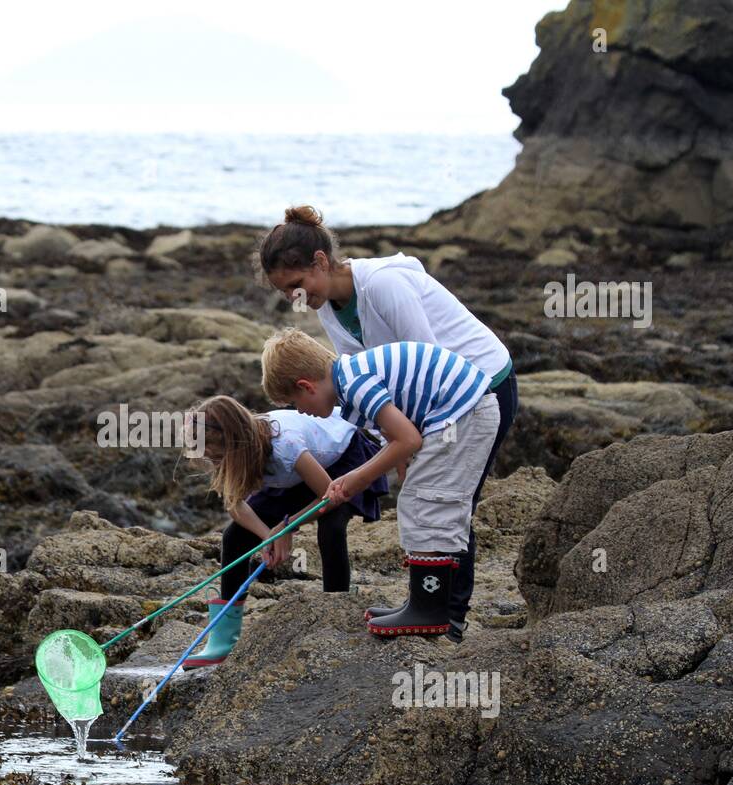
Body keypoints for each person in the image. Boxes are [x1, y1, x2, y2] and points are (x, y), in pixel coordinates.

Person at [254, 205, 518, 642]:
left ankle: (446, 614)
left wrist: (400, 452)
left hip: (476, 388)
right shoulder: (327, 311)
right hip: (430, 408)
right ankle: (427, 605)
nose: (296, 299)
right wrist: (397, 452)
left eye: (296, 286)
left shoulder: (384, 284)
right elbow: (372, 391)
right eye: (286, 294)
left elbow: (431, 360)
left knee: (446, 501)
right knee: (426, 499)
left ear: (321, 262)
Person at [260, 328, 499, 639]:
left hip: (462, 415)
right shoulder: (351, 378)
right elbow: (399, 430)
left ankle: (429, 609)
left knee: (427, 506)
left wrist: (359, 475)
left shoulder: (355, 384)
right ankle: (424, 601)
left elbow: (408, 439)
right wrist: (394, 467)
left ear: (306, 386)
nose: (300, 411)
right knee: (419, 502)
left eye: (295, 402)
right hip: (460, 412)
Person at [181, 395, 386, 667]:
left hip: (343, 461)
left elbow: (329, 497)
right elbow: (235, 504)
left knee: (331, 527)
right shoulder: (232, 450)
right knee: (235, 536)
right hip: (296, 475)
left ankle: (334, 613)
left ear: (232, 438)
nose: (212, 459)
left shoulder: (285, 444)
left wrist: (288, 527)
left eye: (213, 453)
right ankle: (222, 638)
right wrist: (269, 535)